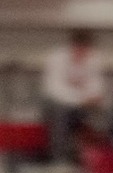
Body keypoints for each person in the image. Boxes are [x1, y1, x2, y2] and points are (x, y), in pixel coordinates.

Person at [41, 29, 106, 166]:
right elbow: (54, 90)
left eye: (85, 49)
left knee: (104, 113)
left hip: (83, 106)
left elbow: (96, 86)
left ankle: (96, 160)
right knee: (60, 112)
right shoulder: (57, 58)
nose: (82, 53)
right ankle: (58, 159)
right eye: (79, 48)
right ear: (73, 46)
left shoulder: (94, 59)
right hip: (57, 104)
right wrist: (81, 98)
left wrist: (90, 97)